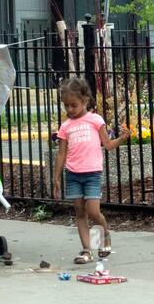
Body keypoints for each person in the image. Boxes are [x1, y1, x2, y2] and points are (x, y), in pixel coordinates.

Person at [51, 77, 129, 264]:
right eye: (66, 106)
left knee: (93, 211)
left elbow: (108, 145)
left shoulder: (95, 120)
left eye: (74, 105)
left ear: (85, 101)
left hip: (92, 173)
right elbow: (61, 154)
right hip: (73, 174)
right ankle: (87, 250)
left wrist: (122, 138)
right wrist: (56, 178)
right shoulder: (65, 126)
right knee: (80, 212)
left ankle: (105, 235)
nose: (69, 110)